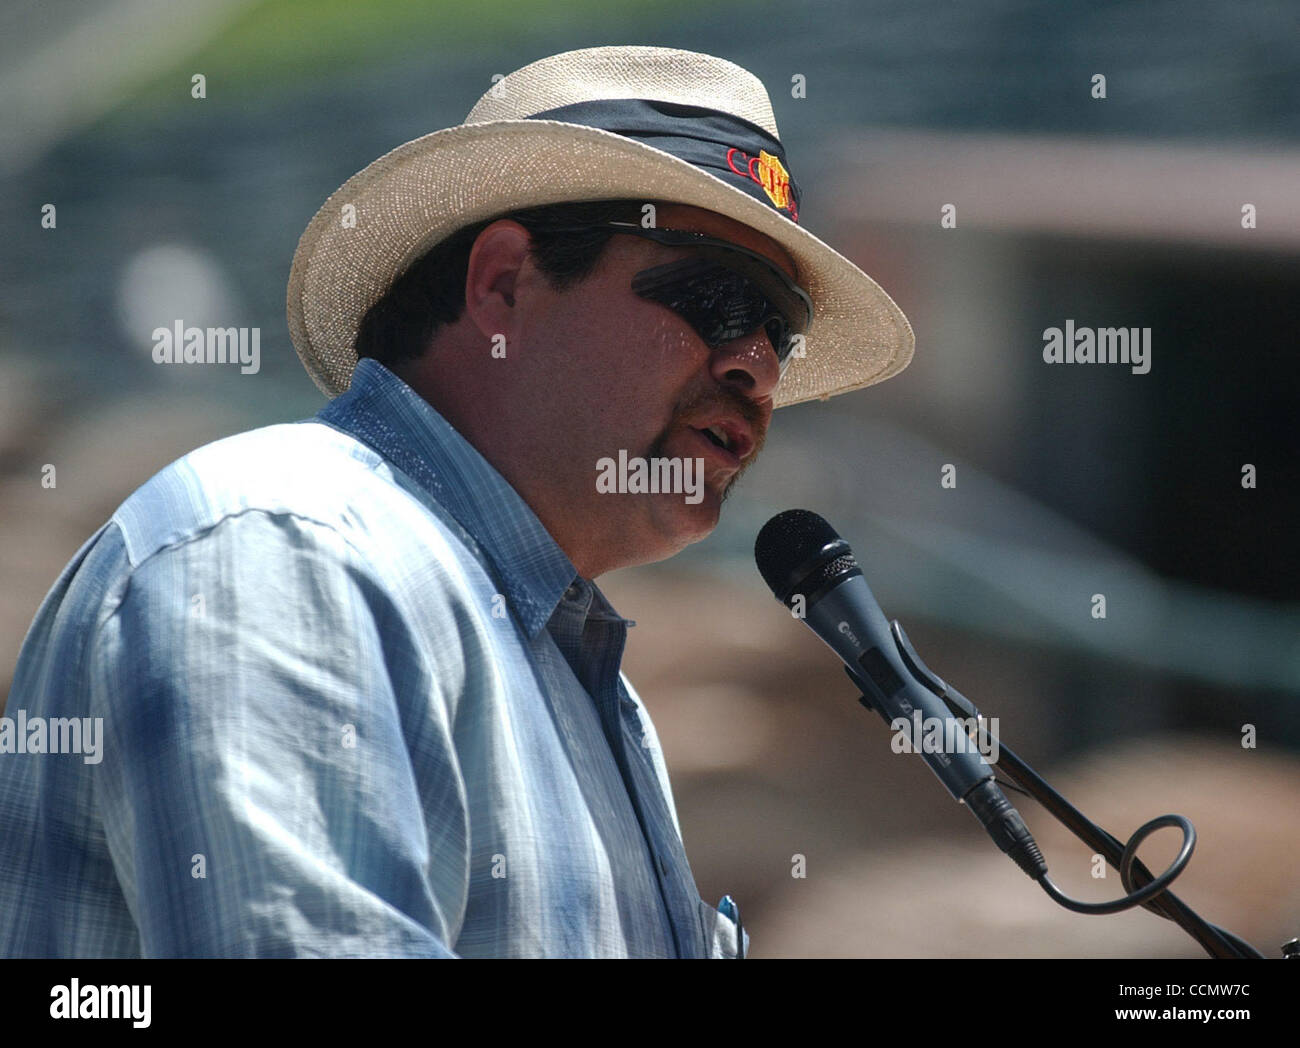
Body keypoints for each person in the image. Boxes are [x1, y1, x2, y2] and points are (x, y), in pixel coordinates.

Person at [0, 45, 912, 957]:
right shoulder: (290, 554)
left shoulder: (575, 675)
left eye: (778, 332)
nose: (755, 363)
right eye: (715, 298)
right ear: (503, 284)